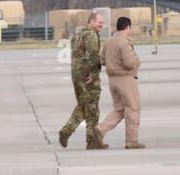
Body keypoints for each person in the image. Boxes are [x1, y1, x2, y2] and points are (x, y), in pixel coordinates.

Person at [59, 12, 107, 149]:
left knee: (84, 104)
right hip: (87, 75)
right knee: (92, 107)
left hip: (77, 74)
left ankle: (86, 138)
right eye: (99, 22)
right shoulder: (91, 35)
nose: (101, 25)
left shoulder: (78, 34)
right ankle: (86, 138)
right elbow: (92, 56)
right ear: (91, 21)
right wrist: (93, 74)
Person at [97, 16, 144, 149]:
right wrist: (137, 62)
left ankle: (100, 131)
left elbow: (101, 60)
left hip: (112, 80)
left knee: (119, 109)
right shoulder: (124, 43)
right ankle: (132, 141)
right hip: (125, 79)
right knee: (133, 108)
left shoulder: (109, 41)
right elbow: (129, 63)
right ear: (128, 27)